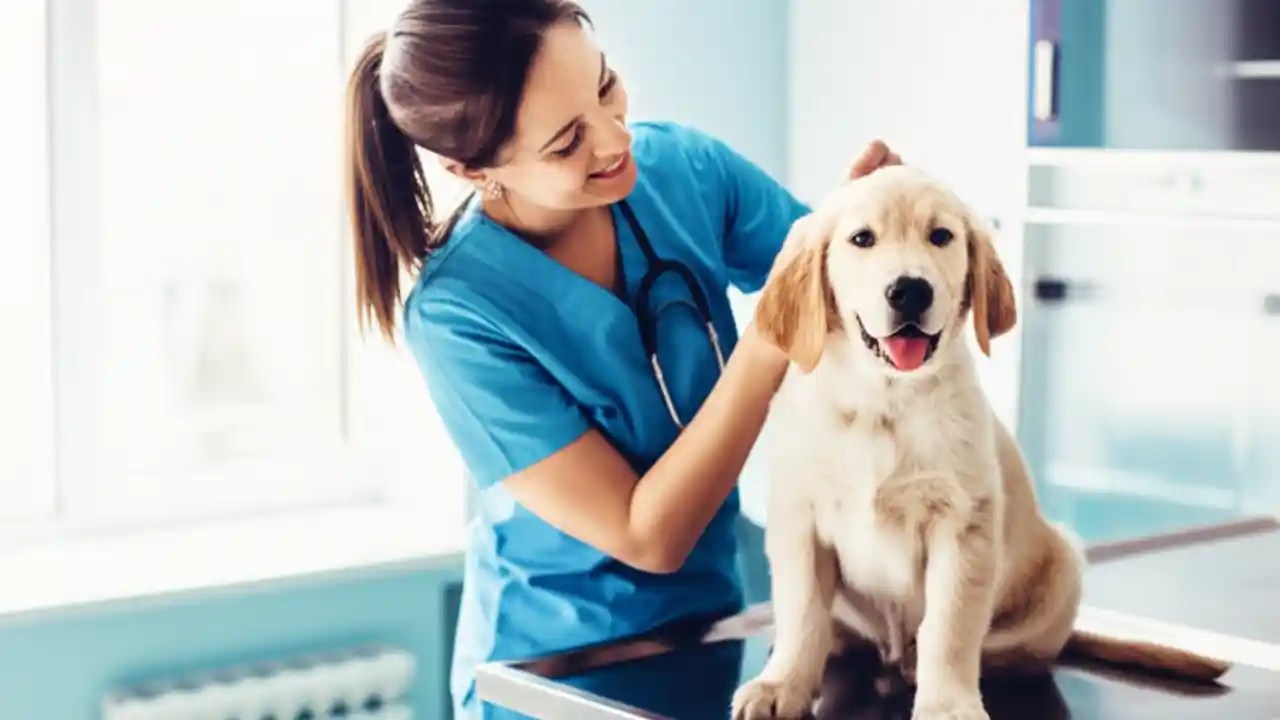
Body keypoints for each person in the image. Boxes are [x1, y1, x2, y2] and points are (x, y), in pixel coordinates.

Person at [343, 1, 900, 717]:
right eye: (568, 141)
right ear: (472, 168)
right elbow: (649, 534)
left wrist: (874, 233)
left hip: (705, 638)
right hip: (553, 677)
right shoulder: (459, 315)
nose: (614, 139)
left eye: (605, 86)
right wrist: (766, 340)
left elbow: (835, 299)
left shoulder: (683, 172)